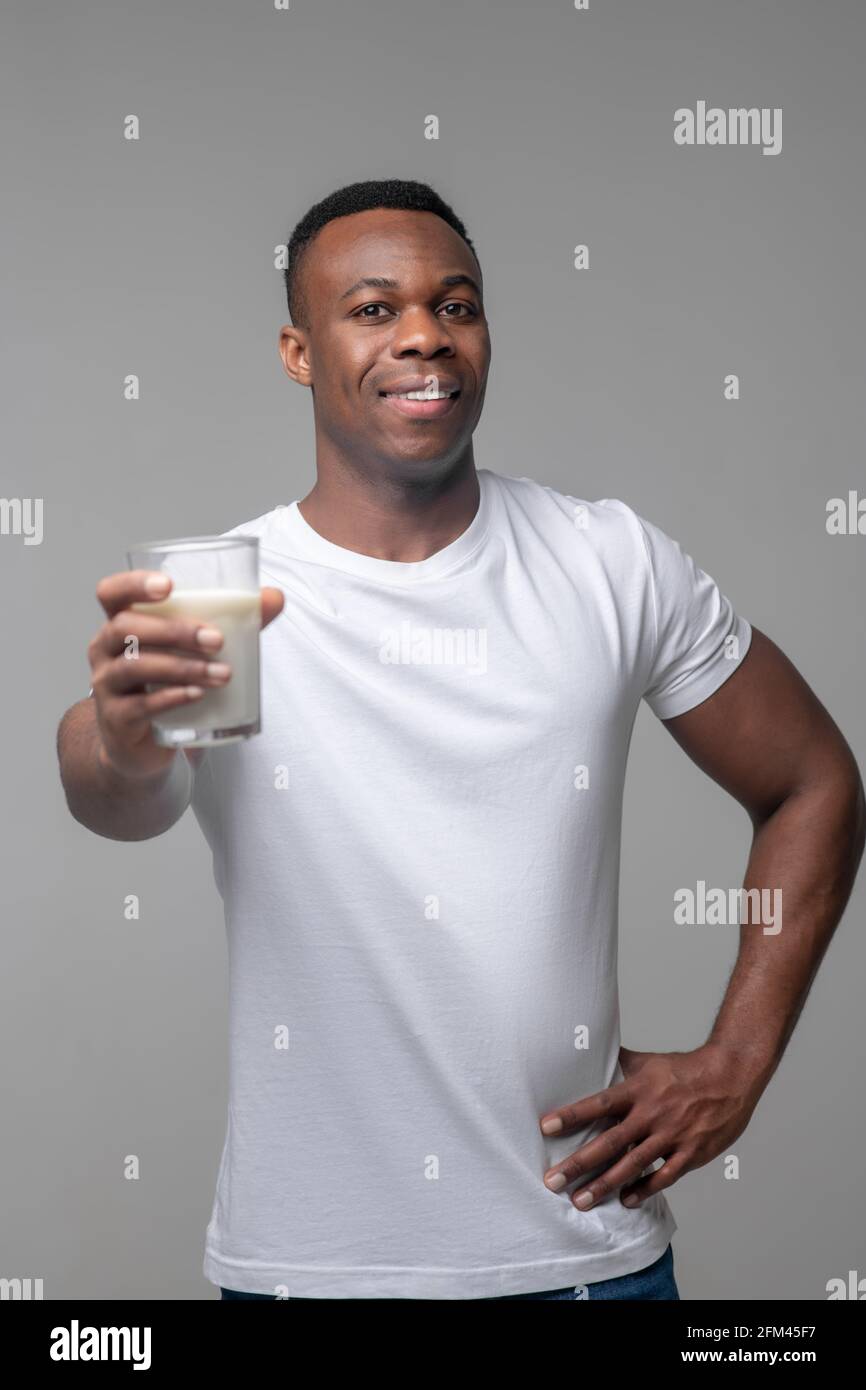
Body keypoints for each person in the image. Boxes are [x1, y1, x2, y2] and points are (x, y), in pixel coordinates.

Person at [57, 179, 865, 1301]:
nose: (425, 333)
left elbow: (812, 781)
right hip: (309, 1271)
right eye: (374, 309)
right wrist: (121, 733)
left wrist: (736, 1059)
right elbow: (118, 796)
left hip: (586, 1263)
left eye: (456, 302)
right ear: (298, 350)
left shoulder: (605, 559)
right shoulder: (225, 595)